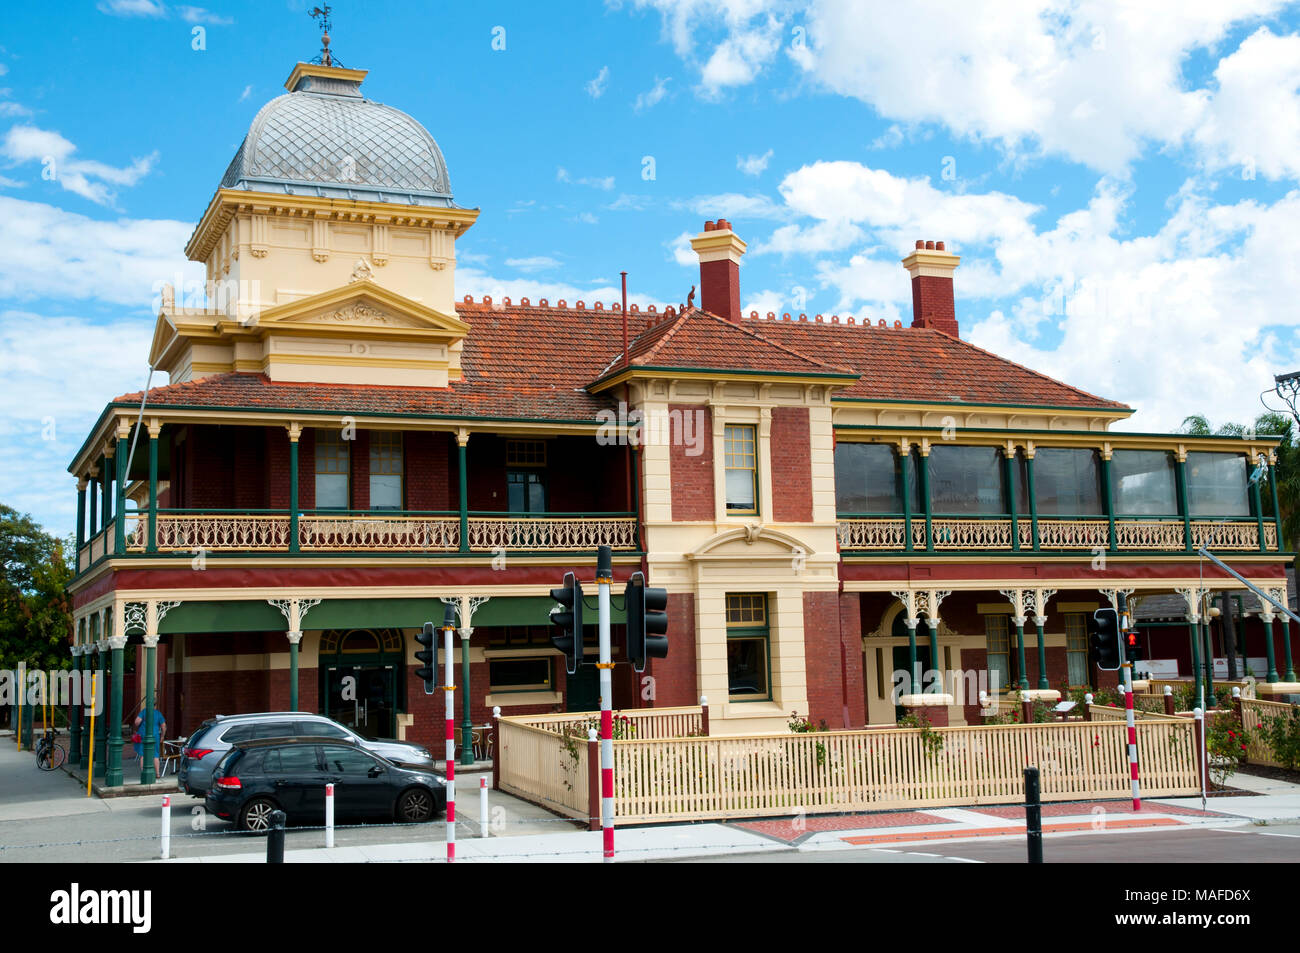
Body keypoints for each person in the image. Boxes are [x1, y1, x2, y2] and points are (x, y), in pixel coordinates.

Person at [133, 704, 166, 778]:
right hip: (155, 735)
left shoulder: (144, 712)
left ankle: (143, 772)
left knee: (143, 754)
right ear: (155, 705)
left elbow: (137, 722)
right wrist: (162, 736)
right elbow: (163, 726)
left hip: (143, 735)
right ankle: (157, 773)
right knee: (156, 754)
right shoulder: (158, 713)